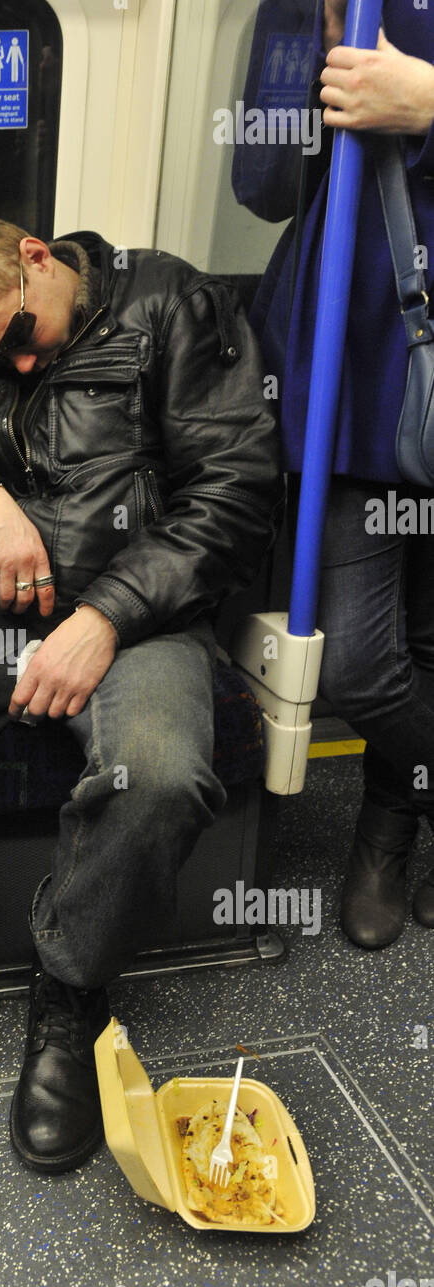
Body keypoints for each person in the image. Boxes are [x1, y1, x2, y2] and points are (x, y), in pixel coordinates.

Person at [0, 214, 283, 1169]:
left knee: (156, 773)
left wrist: (106, 614)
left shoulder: (169, 302)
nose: (16, 369)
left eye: (18, 340)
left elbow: (235, 495)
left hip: (143, 612)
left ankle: (68, 991)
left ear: (36, 258)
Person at [234, 0, 434, 948]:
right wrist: (298, 44)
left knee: (432, 635)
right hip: (353, 361)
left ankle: (388, 826)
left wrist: (427, 102)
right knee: (357, 658)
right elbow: (261, 184)